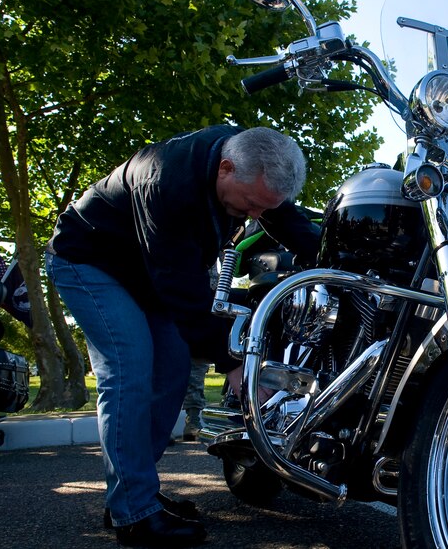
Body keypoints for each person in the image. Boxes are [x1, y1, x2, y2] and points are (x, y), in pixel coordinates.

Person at [45, 125, 319, 547]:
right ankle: (134, 516)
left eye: (262, 209)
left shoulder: (254, 167)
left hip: (149, 275)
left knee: (172, 371)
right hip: (91, 262)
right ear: (226, 168)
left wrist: (341, 258)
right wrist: (230, 364)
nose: (251, 217)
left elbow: (288, 222)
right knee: (130, 367)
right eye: (249, 205)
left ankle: (135, 494)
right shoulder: (166, 180)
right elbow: (184, 289)